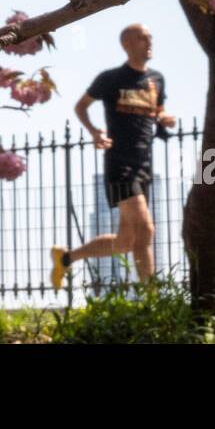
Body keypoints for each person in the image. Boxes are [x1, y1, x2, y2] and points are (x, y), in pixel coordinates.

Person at [50, 23, 176, 289]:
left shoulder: (157, 79)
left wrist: (164, 119)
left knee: (125, 242)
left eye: (150, 37)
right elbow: (81, 106)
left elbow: (158, 111)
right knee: (146, 230)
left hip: (144, 165)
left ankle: (65, 258)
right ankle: (152, 298)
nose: (149, 41)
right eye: (143, 38)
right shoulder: (110, 79)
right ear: (127, 44)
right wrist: (95, 132)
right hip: (120, 165)